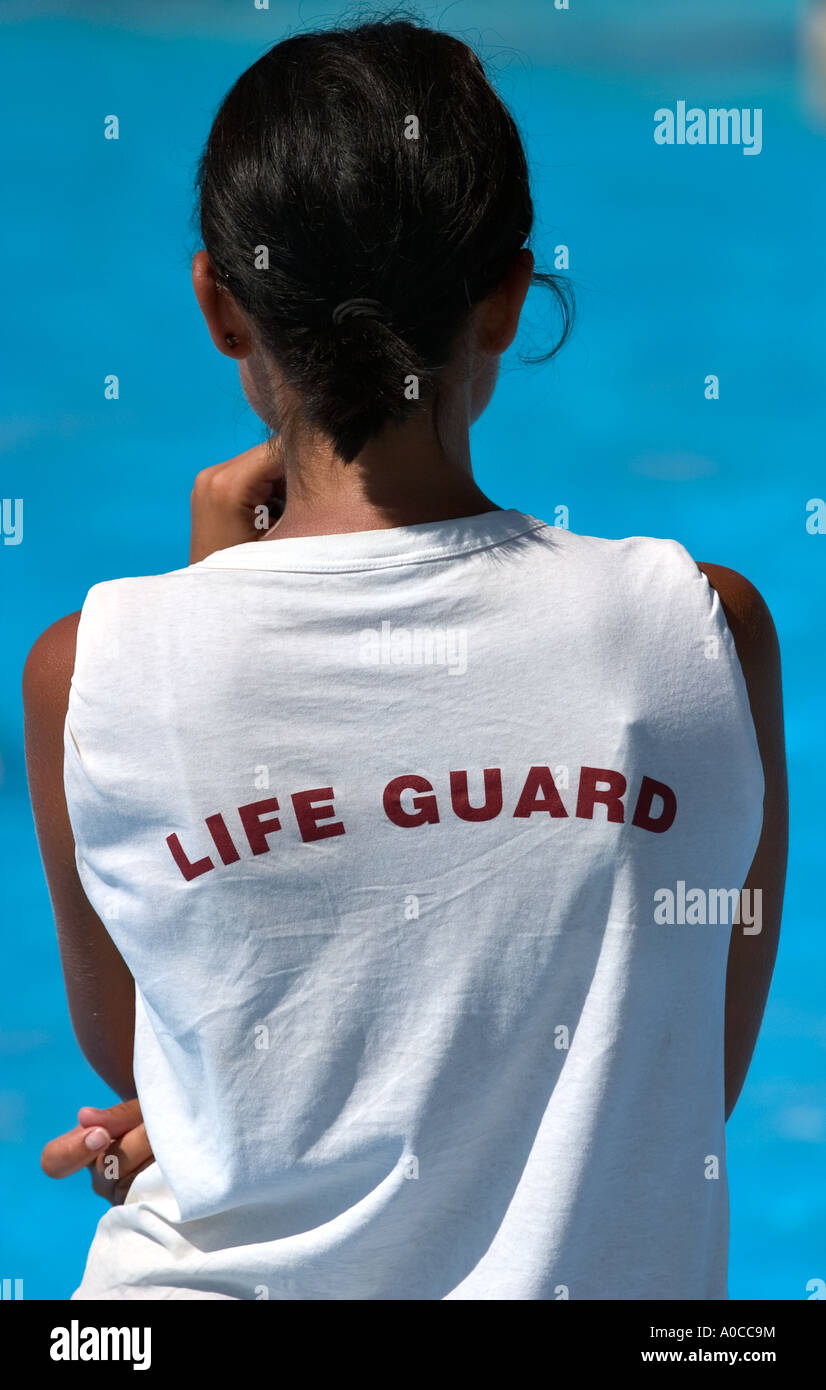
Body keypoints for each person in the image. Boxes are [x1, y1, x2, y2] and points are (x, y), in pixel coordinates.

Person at [25, 16, 787, 1300]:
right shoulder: (699, 631)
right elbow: (677, 1066)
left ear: (219, 303)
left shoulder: (92, 669)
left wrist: (211, 600)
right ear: (503, 294)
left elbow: (143, 1060)